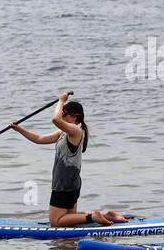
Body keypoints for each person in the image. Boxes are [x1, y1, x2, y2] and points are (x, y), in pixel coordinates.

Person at [10, 92, 127, 227]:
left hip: (64, 185)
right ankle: (106, 215)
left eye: (65, 113)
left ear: (74, 116)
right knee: (69, 219)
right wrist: (19, 129)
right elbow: (39, 139)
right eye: (62, 113)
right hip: (71, 182)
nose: (62, 116)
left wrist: (61, 101)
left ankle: (92, 217)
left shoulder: (76, 132)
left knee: (56, 222)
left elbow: (55, 119)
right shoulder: (63, 133)